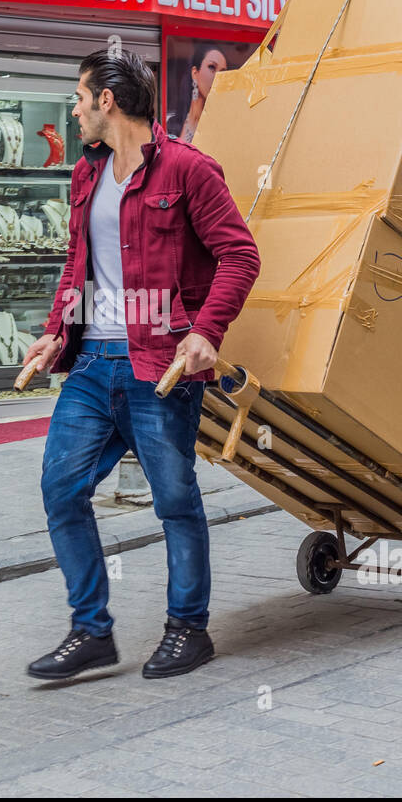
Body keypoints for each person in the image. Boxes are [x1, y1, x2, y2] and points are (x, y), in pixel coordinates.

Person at [23, 48, 260, 682]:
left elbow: (240, 255)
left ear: (107, 100)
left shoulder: (187, 170)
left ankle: (188, 628)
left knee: (175, 500)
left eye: (79, 96)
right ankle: (91, 630)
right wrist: (55, 334)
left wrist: (207, 332)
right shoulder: (86, 172)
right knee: (60, 489)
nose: (73, 109)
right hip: (94, 363)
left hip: (160, 364)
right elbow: (79, 266)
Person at [165, 43, 228, 143]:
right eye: (212, 67)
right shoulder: (170, 124)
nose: (218, 77)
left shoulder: (223, 128)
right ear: (195, 73)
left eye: (222, 72)